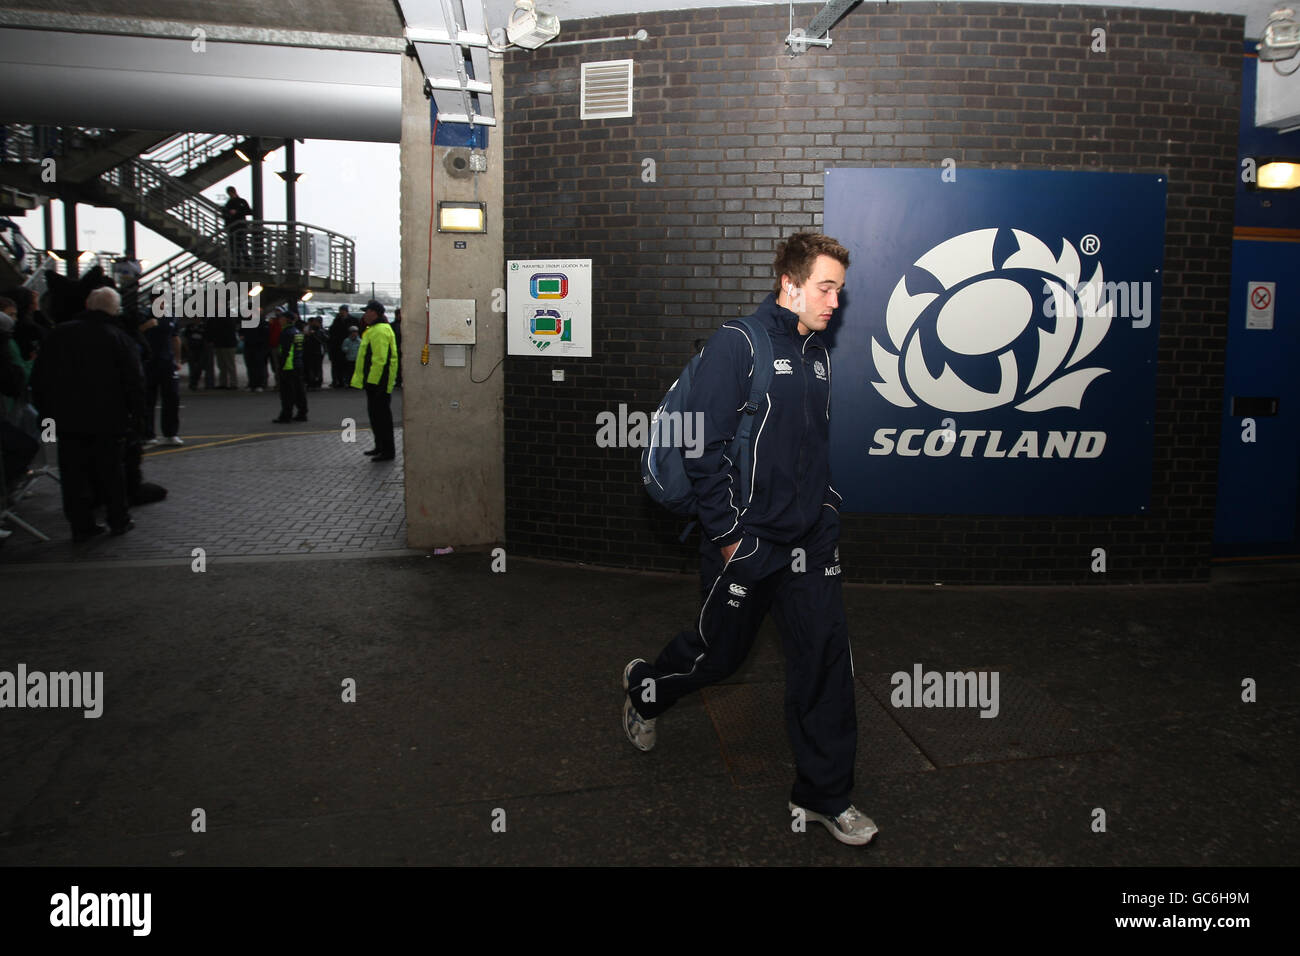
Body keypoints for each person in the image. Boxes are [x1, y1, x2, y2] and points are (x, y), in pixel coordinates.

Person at [621, 233, 875, 846]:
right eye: (826, 287)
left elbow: (812, 443)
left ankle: (825, 797)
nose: (836, 301)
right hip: (747, 542)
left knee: (824, 662)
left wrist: (827, 506)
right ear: (790, 284)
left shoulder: (818, 353)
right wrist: (731, 536)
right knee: (720, 656)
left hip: (808, 543)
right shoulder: (739, 345)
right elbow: (700, 447)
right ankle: (645, 690)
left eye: (839, 289)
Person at [28, 286, 145, 540]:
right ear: (114, 309)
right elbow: (134, 381)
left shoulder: (59, 334)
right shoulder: (118, 336)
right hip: (108, 418)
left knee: (72, 473)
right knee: (111, 470)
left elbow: (39, 378)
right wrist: (137, 417)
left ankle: (81, 525)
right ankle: (118, 519)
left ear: (88, 305)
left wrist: (47, 413)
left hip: (67, 418)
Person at [350, 300, 398, 461]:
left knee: (381, 417)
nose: (365, 315)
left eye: (367, 311)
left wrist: (372, 382)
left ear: (374, 313)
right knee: (377, 416)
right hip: (377, 381)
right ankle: (380, 447)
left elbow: (379, 359)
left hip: (378, 382)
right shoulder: (376, 329)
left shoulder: (379, 331)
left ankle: (387, 450)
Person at [142, 309, 183, 445]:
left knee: (172, 398)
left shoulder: (171, 316)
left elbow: (175, 338)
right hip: (148, 363)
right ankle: (147, 434)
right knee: (148, 399)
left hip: (167, 363)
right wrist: (145, 326)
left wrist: (177, 360)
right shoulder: (143, 315)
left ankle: (170, 434)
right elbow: (132, 334)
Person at [271, 308, 307, 423]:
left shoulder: (286, 333)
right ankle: (302, 412)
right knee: (299, 390)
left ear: (286, 320)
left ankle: (286, 415)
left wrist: (280, 366)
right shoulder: (297, 332)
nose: (279, 320)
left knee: (287, 393)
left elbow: (285, 352)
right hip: (298, 364)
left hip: (288, 366)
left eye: (281, 318)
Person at [222, 187, 251, 266]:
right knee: (236, 247)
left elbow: (249, 211)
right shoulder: (230, 203)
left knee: (241, 245)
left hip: (239, 227)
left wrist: (236, 212)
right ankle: (239, 263)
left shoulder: (241, 201)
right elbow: (226, 216)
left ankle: (245, 263)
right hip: (234, 228)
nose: (230, 194)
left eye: (231, 193)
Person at [328, 306, 351, 387]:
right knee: (338, 365)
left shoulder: (351, 320)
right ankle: (338, 380)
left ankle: (344, 380)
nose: (341, 313)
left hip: (347, 345)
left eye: (343, 311)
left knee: (346, 365)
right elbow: (332, 332)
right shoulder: (336, 320)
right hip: (337, 346)